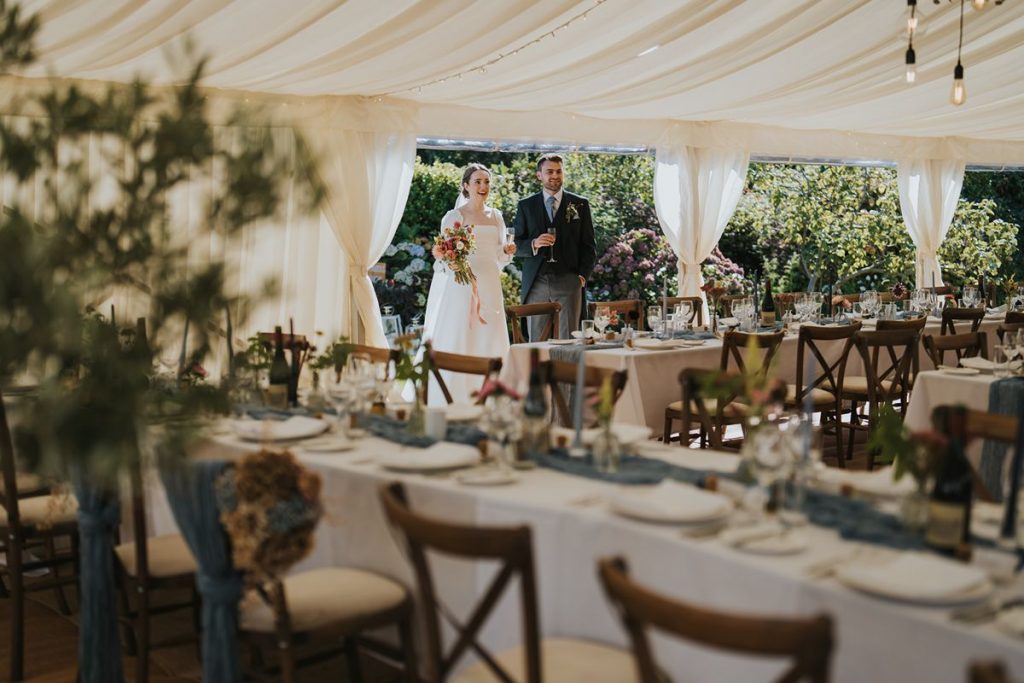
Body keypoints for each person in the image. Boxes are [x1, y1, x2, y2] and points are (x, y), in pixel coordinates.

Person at [422, 163, 517, 405]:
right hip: (462, 285)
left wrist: (507, 252)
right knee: (461, 331)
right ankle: (455, 392)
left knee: (490, 333)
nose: (483, 186)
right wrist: (447, 258)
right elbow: (444, 257)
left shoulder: (496, 216)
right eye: (478, 181)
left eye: (486, 182)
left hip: (490, 283)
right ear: (466, 185)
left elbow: (499, 256)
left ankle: (492, 394)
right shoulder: (455, 217)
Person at [513, 153, 596, 340]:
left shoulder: (580, 204)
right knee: (537, 340)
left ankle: (568, 370)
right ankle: (538, 370)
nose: (555, 175)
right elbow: (515, 244)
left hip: (569, 280)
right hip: (536, 283)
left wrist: (582, 276)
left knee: (569, 339)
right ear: (539, 175)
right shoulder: (525, 206)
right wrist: (533, 243)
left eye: (558, 171)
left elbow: (589, 245)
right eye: (549, 171)